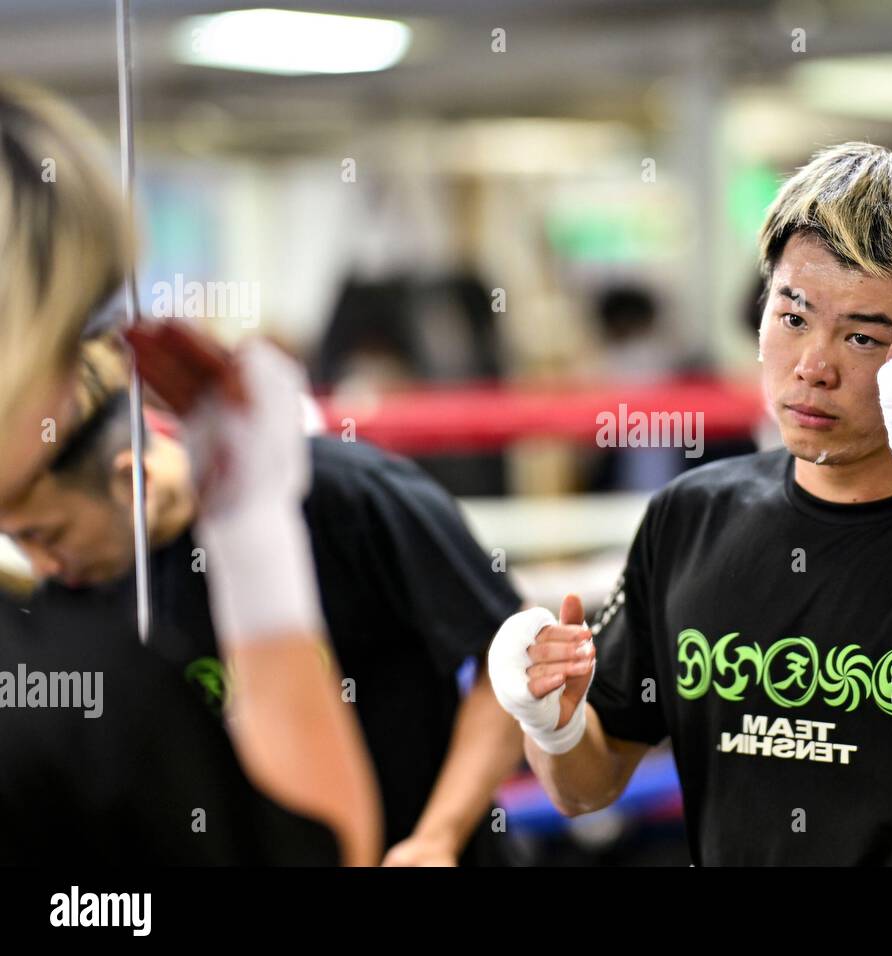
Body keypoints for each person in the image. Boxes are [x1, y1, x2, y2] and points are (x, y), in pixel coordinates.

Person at [486, 142, 892, 865]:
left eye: (864, 335)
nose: (814, 366)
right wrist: (551, 724)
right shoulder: (692, 515)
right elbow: (585, 789)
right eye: (792, 318)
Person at [0, 78, 380, 864]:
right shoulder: (73, 693)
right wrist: (253, 534)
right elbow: (313, 849)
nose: (73, 387)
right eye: (67, 338)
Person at [0, 333, 526, 865]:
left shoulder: (345, 496)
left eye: (47, 535)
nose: (41, 563)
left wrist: (439, 835)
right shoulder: (85, 597)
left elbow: (514, 657)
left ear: (132, 479)